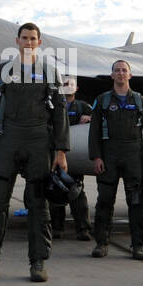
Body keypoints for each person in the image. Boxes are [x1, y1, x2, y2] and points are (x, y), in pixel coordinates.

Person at [0, 23, 70, 282]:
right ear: (17, 40)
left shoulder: (50, 72)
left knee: (39, 205)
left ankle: (38, 263)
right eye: (24, 38)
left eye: (33, 39)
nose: (28, 42)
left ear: (39, 43)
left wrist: (61, 150)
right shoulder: (3, 71)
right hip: (7, 139)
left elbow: (60, 112)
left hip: (39, 140)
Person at [89, 60, 143, 260]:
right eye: (117, 71)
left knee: (136, 202)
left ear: (130, 75)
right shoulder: (102, 101)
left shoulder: (139, 101)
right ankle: (101, 243)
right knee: (104, 201)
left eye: (124, 70)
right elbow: (94, 131)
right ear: (111, 75)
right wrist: (96, 156)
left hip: (134, 154)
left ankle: (138, 245)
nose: (120, 73)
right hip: (109, 154)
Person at [50, 76, 93, 241]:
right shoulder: (52, 104)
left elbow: (100, 120)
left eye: (71, 84)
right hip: (55, 156)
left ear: (77, 88)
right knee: (55, 192)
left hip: (73, 159)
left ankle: (83, 229)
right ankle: (57, 228)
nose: (68, 87)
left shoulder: (83, 107)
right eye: (65, 84)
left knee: (77, 193)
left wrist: (90, 118)